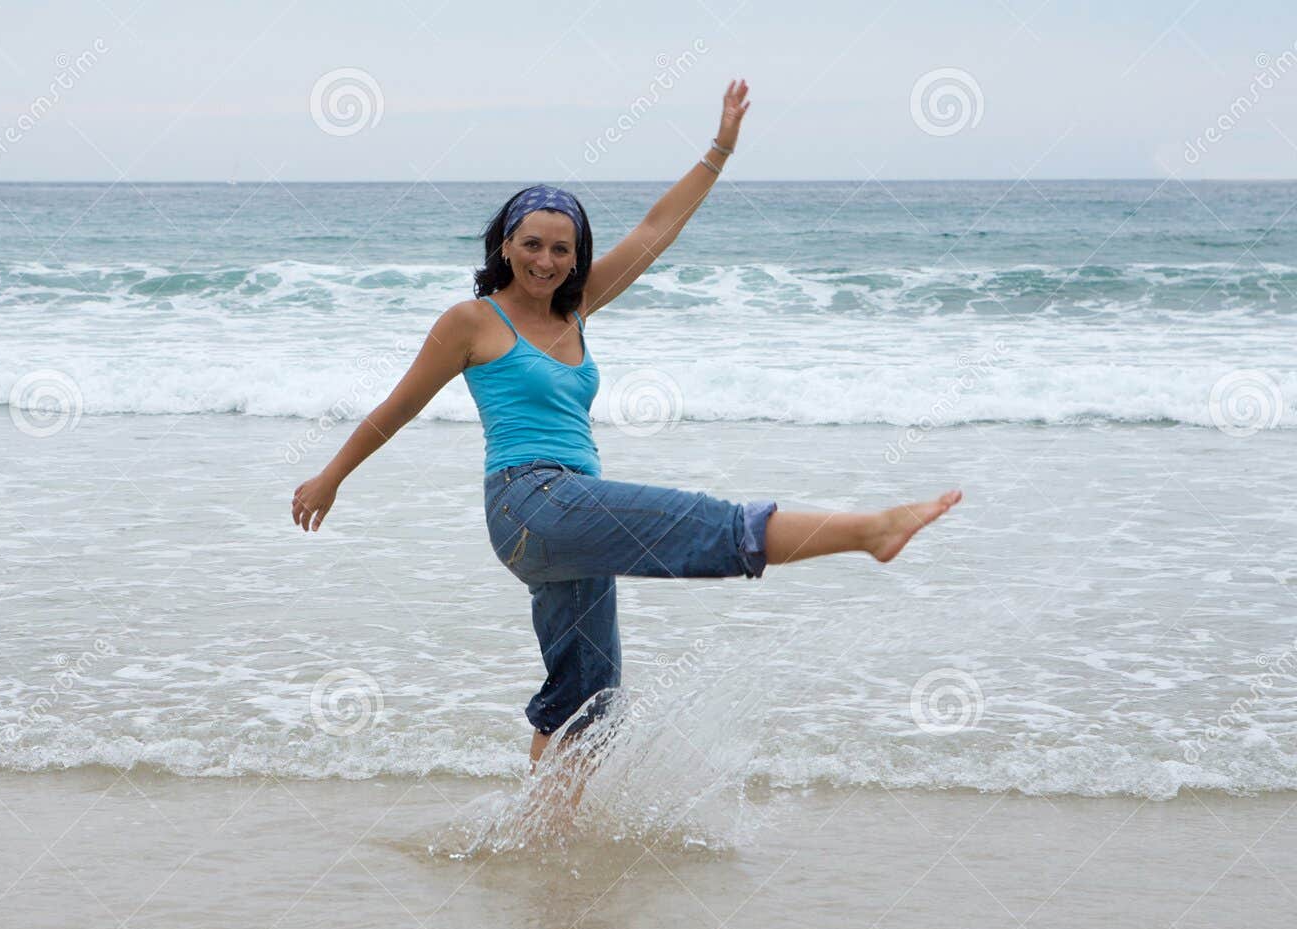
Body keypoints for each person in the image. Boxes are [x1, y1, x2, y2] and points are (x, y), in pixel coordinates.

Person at [292, 79, 962, 806]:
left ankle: (544, 830)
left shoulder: (577, 310)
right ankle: (871, 530)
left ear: (575, 256)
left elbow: (652, 231)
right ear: (506, 245)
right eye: (531, 245)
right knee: (701, 523)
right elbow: (396, 407)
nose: (545, 261)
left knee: (585, 691)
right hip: (531, 502)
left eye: (561, 249)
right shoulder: (473, 320)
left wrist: (720, 149)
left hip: (566, 515)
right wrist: (331, 475)